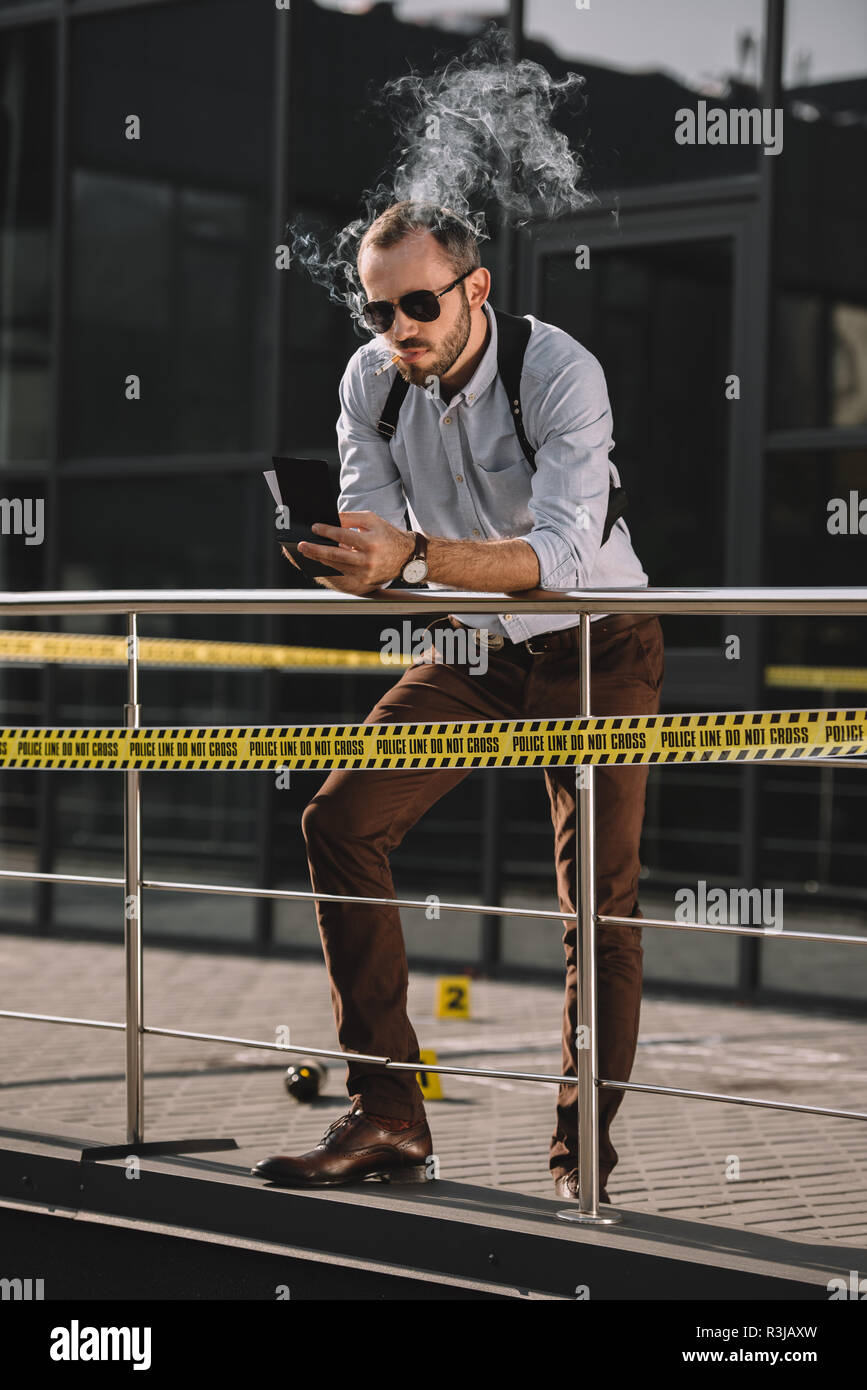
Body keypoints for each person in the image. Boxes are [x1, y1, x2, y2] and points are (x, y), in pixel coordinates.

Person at [252, 201, 664, 1201]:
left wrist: (416, 557)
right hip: (473, 644)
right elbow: (385, 539)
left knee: (595, 906)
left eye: (420, 304)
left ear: (475, 289)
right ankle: (389, 1114)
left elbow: (564, 558)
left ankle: (580, 1166)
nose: (399, 330)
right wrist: (349, 561)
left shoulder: (559, 371)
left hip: (595, 642)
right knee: (340, 818)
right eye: (380, 309)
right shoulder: (371, 380)